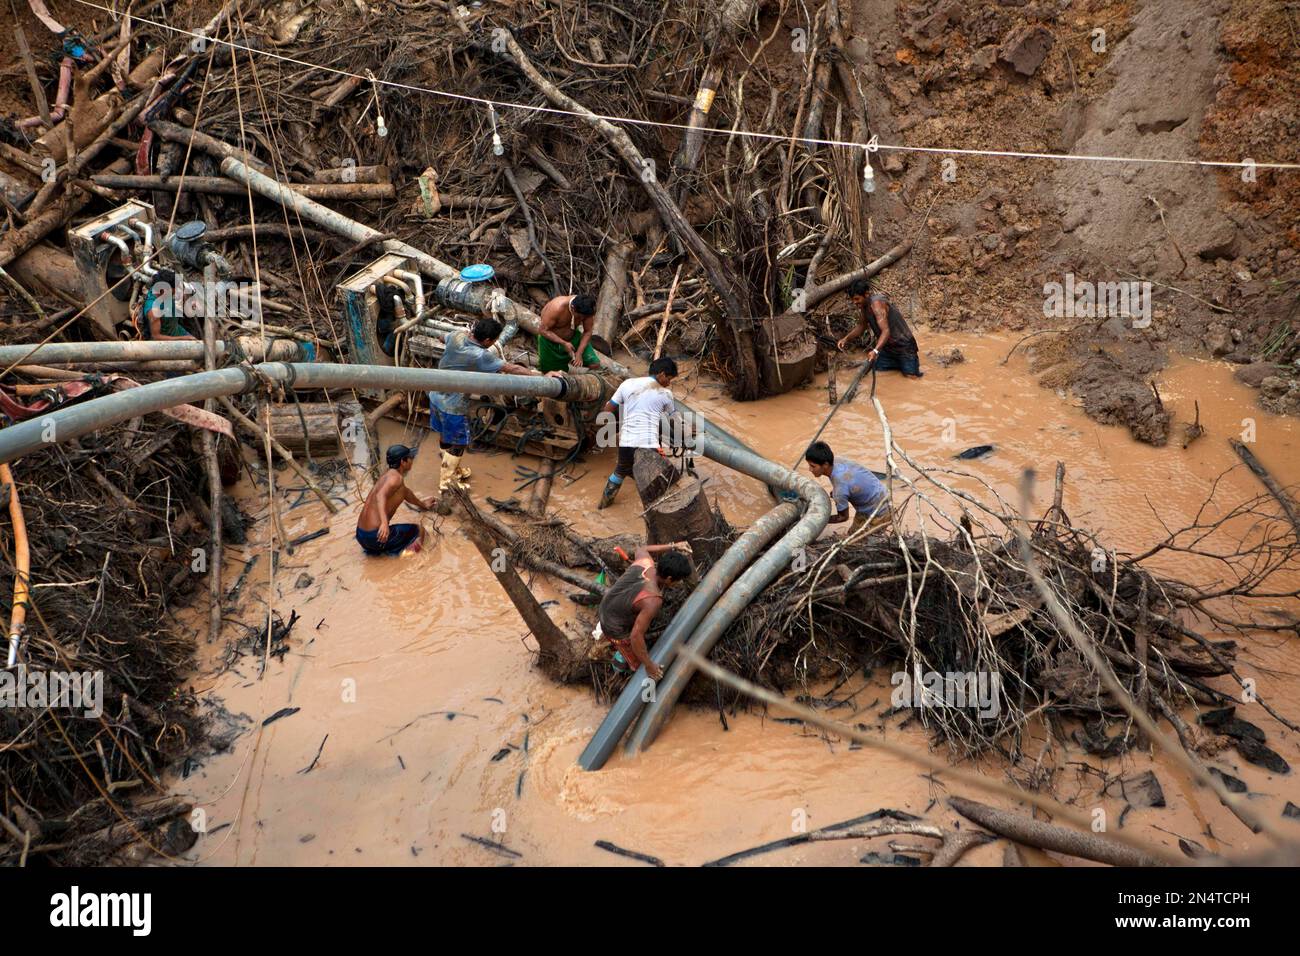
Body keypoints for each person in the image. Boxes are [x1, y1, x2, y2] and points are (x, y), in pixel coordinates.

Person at [428, 317, 563, 493]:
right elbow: (511, 368)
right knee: (459, 442)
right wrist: (542, 377)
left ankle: (452, 469)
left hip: (435, 395)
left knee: (445, 435)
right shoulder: (480, 356)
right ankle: (446, 483)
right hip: (452, 405)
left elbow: (441, 338)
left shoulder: (456, 336)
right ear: (487, 341)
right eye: (494, 340)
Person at [595, 541, 693, 678]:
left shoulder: (645, 562)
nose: (680, 583)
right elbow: (636, 637)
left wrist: (674, 546)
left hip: (608, 605)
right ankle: (621, 665)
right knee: (636, 662)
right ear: (669, 579)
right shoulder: (653, 600)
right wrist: (649, 666)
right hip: (612, 626)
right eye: (679, 580)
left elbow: (642, 548)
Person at [597, 356, 679, 510]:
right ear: (661, 375)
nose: (669, 383)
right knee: (660, 478)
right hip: (648, 445)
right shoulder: (666, 394)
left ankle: (603, 507)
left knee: (620, 471)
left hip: (626, 442)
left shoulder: (627, 384)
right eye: (669, 379)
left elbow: (607, 410)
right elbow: (673, 420)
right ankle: (658, 513)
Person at [356, 444, 436, 555]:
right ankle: (404, 556)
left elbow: (406, 493)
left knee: (402, 491)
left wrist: (423, 504)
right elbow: (380, 495)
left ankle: (381, 551)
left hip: (361, 535)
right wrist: (384, 523)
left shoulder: (388, 475)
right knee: (420, 531)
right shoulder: (396, 478)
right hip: (374, 536)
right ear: (403, 462)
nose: (412, 460)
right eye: (410, 458)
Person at [836, 277, 921, 377]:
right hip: (888, 349)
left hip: (904, 346)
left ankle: (910, 365)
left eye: (857, 299)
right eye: (853, 300)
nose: (855, 302)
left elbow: (886, 331)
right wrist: (846, 339)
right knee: (878, 371)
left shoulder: (877, 304)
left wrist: (875, 351)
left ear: (866, 294)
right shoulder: (864, 306)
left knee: (911, 378)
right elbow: (861, 326)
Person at [803, 441, 889, 534]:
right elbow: (848, 481)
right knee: (852, 533)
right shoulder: (838, 460)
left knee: (858, 544)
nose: (810, 469)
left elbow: (843, 517)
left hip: (879, 511)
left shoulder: (840, 489)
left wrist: (819, 520)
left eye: (813, 466)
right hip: (881, 494)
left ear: (825, 465)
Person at [537, 293, 601, 372]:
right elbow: (542, 330)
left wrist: (579, 353)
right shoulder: (556, 308)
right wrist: (564, 343)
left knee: (594, 364)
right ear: (573, 309)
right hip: (550, 342)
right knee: (550, 373)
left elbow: (588, 331)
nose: (583, 319)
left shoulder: (586, 308)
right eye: (580, 317)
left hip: (574, 338)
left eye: (585, 317)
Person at [136, 269, 195, 341]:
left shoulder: (158, 288)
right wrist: (183, 338)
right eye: (172, 292)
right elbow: (156, 337)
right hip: (168, 341)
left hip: (176, 329)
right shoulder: (154, 312)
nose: (175, 292)